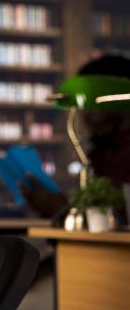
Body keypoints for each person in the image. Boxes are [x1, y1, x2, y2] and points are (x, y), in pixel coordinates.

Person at [22, 54, 130, 218]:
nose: (85, 115)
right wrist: (59, 206)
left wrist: (60, 208)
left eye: (94, 102)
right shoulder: (98, 155)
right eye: (83, 105)